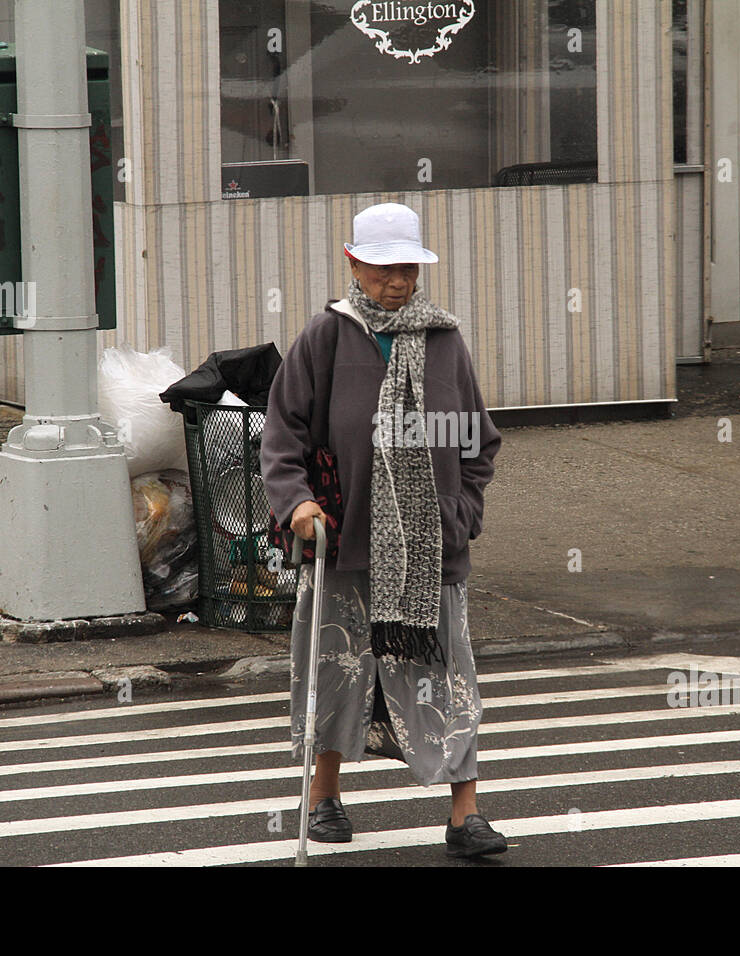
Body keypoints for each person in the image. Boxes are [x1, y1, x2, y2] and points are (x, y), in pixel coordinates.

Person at [260, 202, 505, 859]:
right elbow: (281, 437)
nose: (397, 280)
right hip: (343, 542)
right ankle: (324, 797)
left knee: (447, 676)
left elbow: (479, 441)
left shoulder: (444, 340)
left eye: (407, 267)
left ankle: (465, 815)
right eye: (382, 267)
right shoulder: (325, 337)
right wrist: (298, 504)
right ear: (353, 263)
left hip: (430, 552)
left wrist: (462, 512)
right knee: (340, 670)